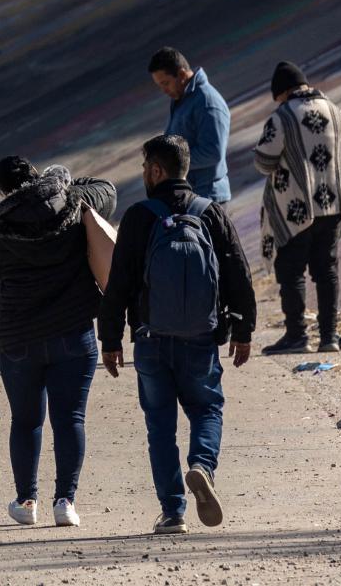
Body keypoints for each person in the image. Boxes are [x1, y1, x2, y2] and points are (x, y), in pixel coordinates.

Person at [100, 135, 257, 536]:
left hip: (151, 339)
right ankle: (202, 466)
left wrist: (111, 339)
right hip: (201, 338)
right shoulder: (211, 213)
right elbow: (239, 272)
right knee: (207, 409)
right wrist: (243, 330)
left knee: (159, 425)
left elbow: (118, 283)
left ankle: (173, 512)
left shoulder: (139, 216)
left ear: (156, 171)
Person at [0, 158, 116, 529]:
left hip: (19, 335)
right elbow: (107, 191)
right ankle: (65, 501)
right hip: (73, 332)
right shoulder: (71, 201)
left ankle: (26, 500)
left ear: (3, 192)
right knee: (71, 419)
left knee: (26, 421)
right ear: (38, 176)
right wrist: (64, 182)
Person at [254, 62, 341, 355]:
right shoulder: (334, 110)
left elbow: (264, 161)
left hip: (295, 209)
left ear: (282, 93)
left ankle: (297, 335)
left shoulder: (282, 116)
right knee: (326, 271)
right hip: (333, 203)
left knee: (291, 271)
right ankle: (329, 336)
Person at [148, 47, 232, 205]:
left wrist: (171, 163)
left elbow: (212, 153)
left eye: (165, 83)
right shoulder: (181, 99)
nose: (164, 90)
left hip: (208, 199)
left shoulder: (206, 102)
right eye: (160, 86)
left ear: (181, 74)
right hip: (191, 197)